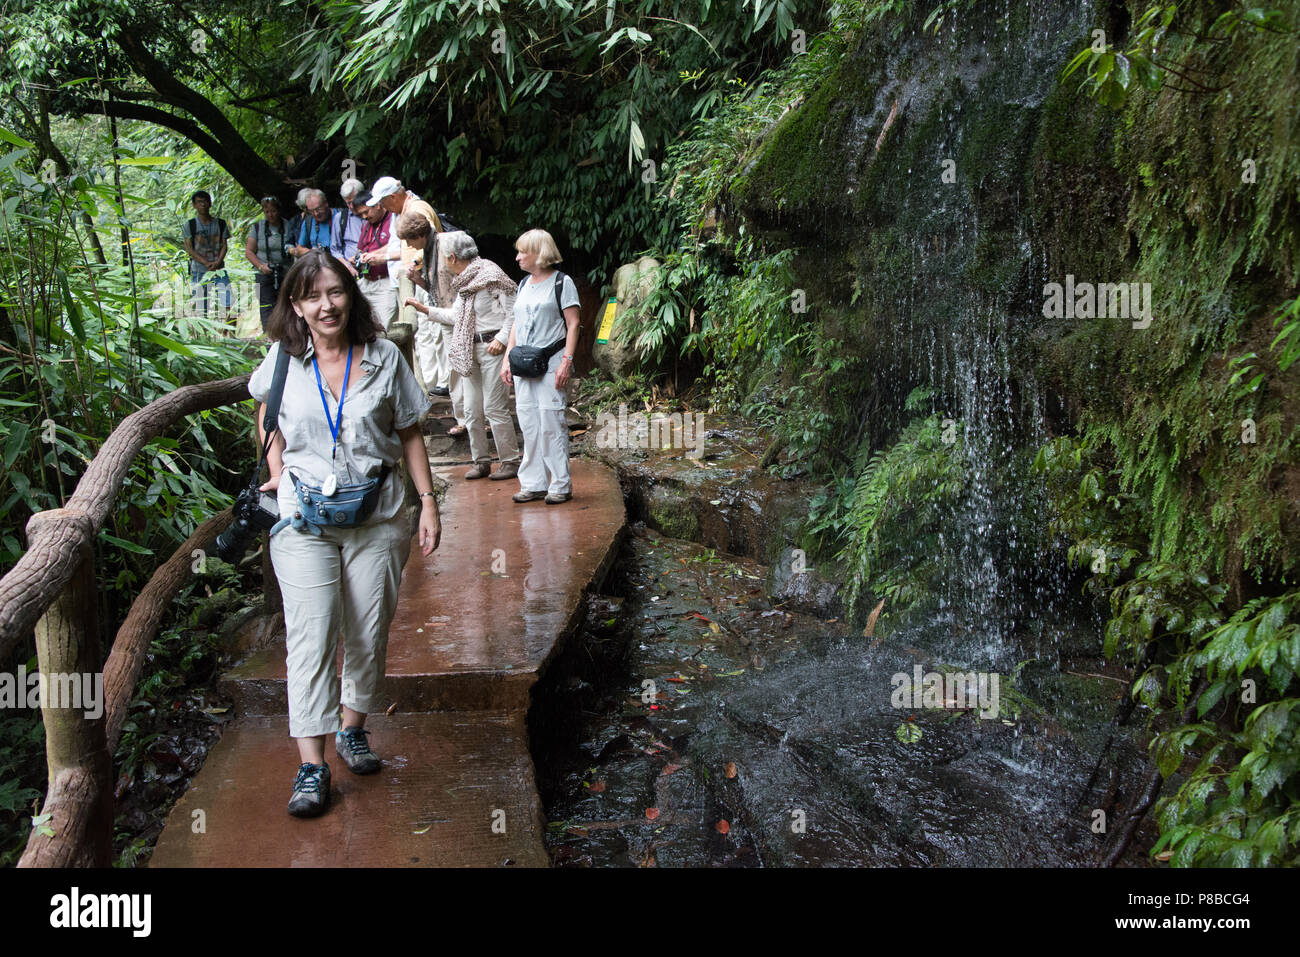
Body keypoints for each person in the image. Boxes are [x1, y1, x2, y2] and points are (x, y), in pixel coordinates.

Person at [248, 248, 441, 817]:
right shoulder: (283, 359)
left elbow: (409, 432)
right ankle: (312, 766)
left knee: (368, 626)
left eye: (335, 292)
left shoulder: (383, 357)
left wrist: (428, 503)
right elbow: (266, 411)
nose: (326, 305)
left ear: (350, 295)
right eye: (312, 296)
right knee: (311, 634)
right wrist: (277, 471)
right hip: (302, 519)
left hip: (377, 515)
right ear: (296, 305)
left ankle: (352, 727)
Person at [400, 219, 521, 480]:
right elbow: (457, 316)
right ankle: (481, 461)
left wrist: (501, 338)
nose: (442, 262)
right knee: (471, 408)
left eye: (444, 258)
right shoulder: (464, 281)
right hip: (470, 347)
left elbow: (514, 310)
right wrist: (425, 310)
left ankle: (510, 461)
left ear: (452, 257)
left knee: (494, 407)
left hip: (492, 348)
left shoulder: (491, 275)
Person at [501, 229, 580, 504]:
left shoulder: (562, 283)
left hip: (551, 362)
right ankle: (533, 483)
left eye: (523, 251)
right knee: (529, 422)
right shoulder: (523, 285)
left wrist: (567, 362)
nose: (518, 257)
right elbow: (515, 323)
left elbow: (573, 324)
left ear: (539, 253)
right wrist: (507, 357)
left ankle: (560, 484)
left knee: (550, 422)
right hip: (523, 364)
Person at [369, 177, 450, 394]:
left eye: (383, 202)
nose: (382, 207)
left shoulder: (417, 209)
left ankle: (443, 381)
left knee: (434, 329)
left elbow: (428, 240)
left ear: (393, 197)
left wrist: (414, 264)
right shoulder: (403, 211)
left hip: (429, 277)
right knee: (423, 329)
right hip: (418, 277)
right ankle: (432, 382)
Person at [353, 191, 400, 330]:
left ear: (377, 205)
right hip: (366, 281)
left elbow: (396, 245)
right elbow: (361, 248)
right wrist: (358, 257)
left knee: (384, 326)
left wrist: (373, 255)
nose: (364, 216)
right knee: (363, 325)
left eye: (366, 212)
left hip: (385, 282)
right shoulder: (366, 224)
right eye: (361, 214)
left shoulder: (393, 219)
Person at [244, 196, 292, 332]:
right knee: (266, 304)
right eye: (267, 212)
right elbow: (249, 251)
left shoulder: (288, 225)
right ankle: (269, 334)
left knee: (285, 302)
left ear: (279, 210)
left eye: (273, 211)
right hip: (263, 272)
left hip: (285, 271)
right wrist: (261, 266)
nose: (270, 215)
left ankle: (286, 332)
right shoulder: (258, 227)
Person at [182, 190, 232, 318]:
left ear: (210, 204)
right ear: (194, 205)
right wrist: (206, 263)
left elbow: (224, 245)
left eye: (205, 201)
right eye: (199, 202)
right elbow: (189, 249)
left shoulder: (220, 224)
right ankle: (204, 334)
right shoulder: (190, 225)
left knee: (228, 300)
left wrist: (217, 262)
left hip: (219, 269)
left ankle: (230, 332)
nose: (203, 205)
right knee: (201, 304)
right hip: (199, 270)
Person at [330, 178, 367, 275]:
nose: (351, 206)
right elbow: (335, 250)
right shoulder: (341, 218)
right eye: (348, 203)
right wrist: (347, 266)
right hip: (351, 271)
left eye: (353, 201)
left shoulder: (374, 213)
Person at [290, 188, 336, 257]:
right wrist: (314, 252)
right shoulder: (309, 221)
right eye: (311, 211)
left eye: (318, 209)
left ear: (326, 203)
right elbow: (299, 248)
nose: (316, 213)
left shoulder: (340, 217)